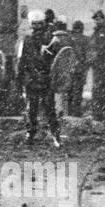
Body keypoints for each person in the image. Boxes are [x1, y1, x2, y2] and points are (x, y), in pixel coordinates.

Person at [17, 10, 62, 147]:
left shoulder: (51, 39)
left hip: (45, 77)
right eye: (34, 24)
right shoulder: (27, 40)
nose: (36, 27)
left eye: (39, 24)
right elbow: (21, 61)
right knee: (34, 109)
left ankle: (53, 135)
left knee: (47, 109)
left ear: (43, 24)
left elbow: (59, 59)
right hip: (34, 78)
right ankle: (33, 134)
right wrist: (20, 78)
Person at [66, 19, 88, 116]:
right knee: (78, 92)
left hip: (70, 69)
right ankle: (76, 112)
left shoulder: (69, 38)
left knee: (69, 92)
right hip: (80, 70)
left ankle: (70, 112)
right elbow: (87, 56)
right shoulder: (86, 39)